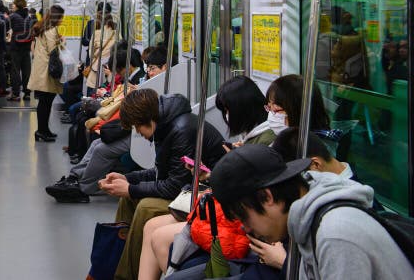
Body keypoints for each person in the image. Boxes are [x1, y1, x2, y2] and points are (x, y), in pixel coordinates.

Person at [137, 75, 276, 280]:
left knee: (155, 229)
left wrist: (218, 174)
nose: (227, 117)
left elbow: (246, 189)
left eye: (228, 111)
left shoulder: (267, 141)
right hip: (223, 206)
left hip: (233, 217)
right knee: (151, 225)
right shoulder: (249, 138)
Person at [210, 144, 414, 280]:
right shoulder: (305, 221)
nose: (245, 228)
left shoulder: (336, 235)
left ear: (266, 197)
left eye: (243, 216)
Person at [98, 89, 225, 280]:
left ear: (146, 120)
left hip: (204, 193)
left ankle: (125, 275)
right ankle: (115, 262)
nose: (138, 133)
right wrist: (128, 179)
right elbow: (160, 172)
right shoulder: (167, 126)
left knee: (145, 207)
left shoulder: (181, 131)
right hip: (188, 188)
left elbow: (174, 185)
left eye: (137, 127)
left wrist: (131, 189)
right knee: (127, 200)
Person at [46, 46, 147, 202]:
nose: (150, 71)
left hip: (139, 133)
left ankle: (83, 188)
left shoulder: (145, 83)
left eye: (153, 68)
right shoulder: (140, 82)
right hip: (131, 128)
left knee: (101, 149)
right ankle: (74, 176)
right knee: (96, 144)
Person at [27, 5, 65, 142]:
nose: (62, 20)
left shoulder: (43, 27)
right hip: (46, 71)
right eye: (61, 17)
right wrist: (62, 42)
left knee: (45, 102)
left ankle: (43, 130)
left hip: (41, 68)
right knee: (45, 102)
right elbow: (53, 51)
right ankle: (41, 131)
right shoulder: (51, 30)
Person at [7, 0, 33, 103]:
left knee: (15, 71)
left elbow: (5, 27)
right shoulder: (29, 16)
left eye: (13, 4)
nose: (12, 6)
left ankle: (16, 94)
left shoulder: (13, 16)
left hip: (16, 47)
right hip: (27, 47)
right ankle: (27, 93)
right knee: (26, 71)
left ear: (17, 5)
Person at [86, 14, 117, 96]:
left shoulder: (97, 33)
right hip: (111, 69)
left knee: (93, 93)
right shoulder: (117, 34)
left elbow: (90, 54)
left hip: (96, 68)